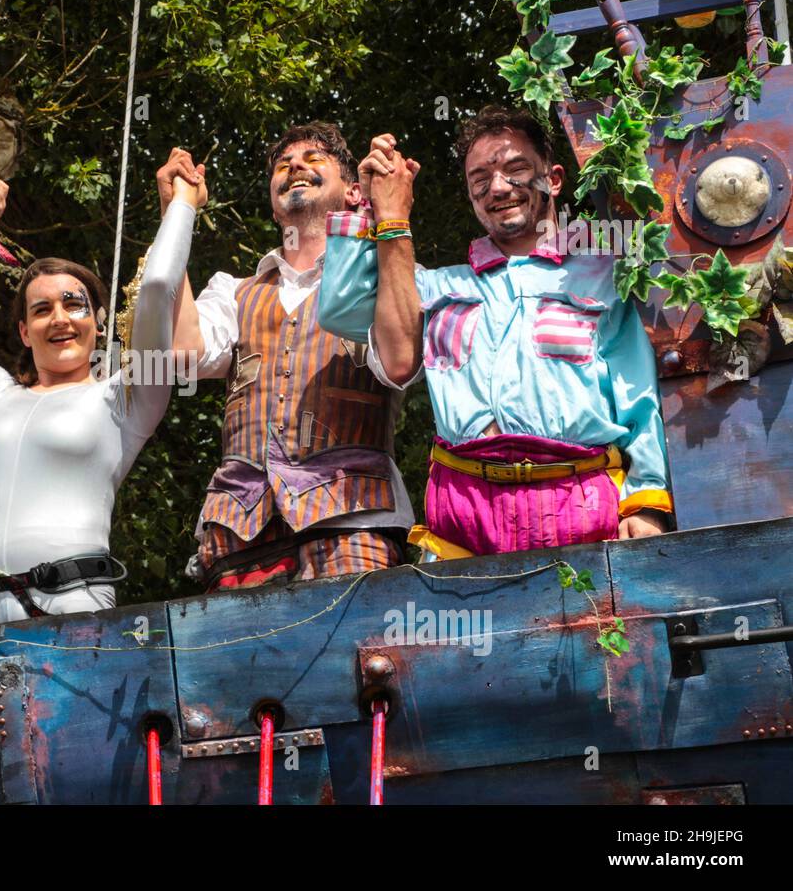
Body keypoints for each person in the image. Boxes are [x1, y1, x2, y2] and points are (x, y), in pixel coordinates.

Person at [319, 105, 673, 560]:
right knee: (464, 633)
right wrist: (376, 209)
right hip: (462, 526)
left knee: (594, 628)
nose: (498, 188)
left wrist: (646, 504)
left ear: (555, 179)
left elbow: (639, 396)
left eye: (516, 169)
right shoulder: (438, 286)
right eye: (480, 179)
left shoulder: (607, 276)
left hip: (584, 509)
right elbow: (342, 308)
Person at [0, 174, 201, 629]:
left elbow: (157, 286)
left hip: (70, 606)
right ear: (24, 332)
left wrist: (183, 203)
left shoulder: (126, 395)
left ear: (99, 322)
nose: (60, 319)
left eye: (74, 304)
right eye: (41, 309)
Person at [164, 123, 423, 591]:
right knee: (238, 665)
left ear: (351, 190)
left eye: (313, 159)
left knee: (357, 659)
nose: (295, 167)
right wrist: (176, 216)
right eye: (283, 165)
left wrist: (388, 215)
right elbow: (185, 355)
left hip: (352, 520)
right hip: (241, 530)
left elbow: (402, 360)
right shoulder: (235, 290)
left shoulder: (391, 274)